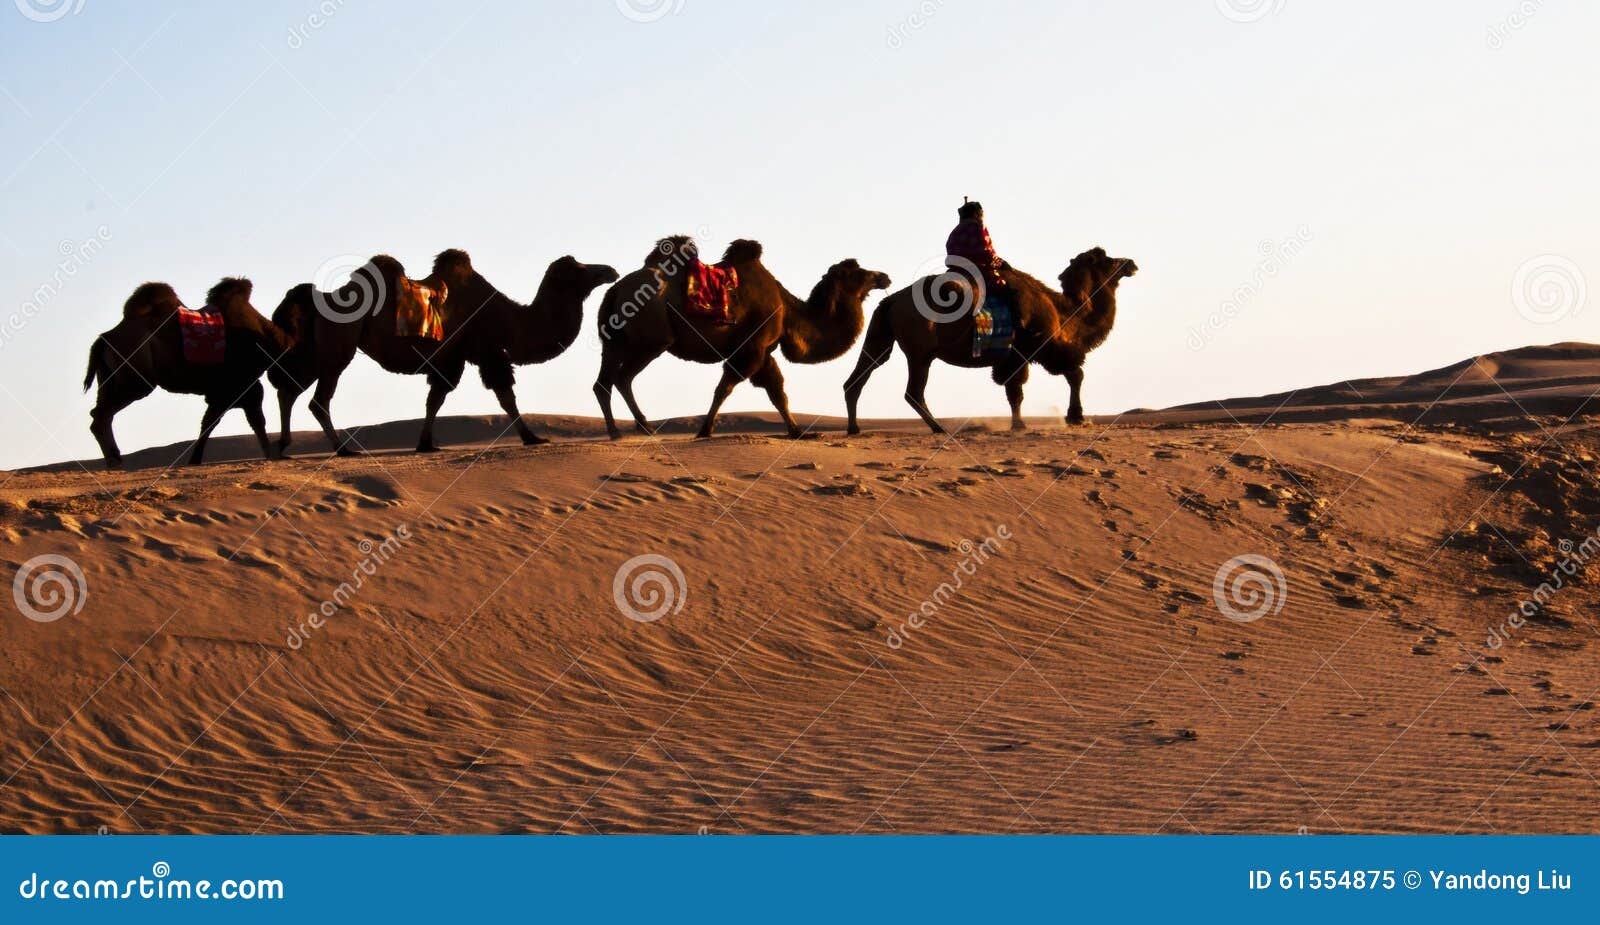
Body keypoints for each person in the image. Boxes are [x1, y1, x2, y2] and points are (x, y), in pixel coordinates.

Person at [945, 199, 1008, 295]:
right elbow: (985, 253)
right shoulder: (977, 227)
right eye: (982, 213)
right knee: (1005, 290)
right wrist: (1001, 263)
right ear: (976, 214)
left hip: (955, 269)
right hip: (976, 270)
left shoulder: (955, 231)